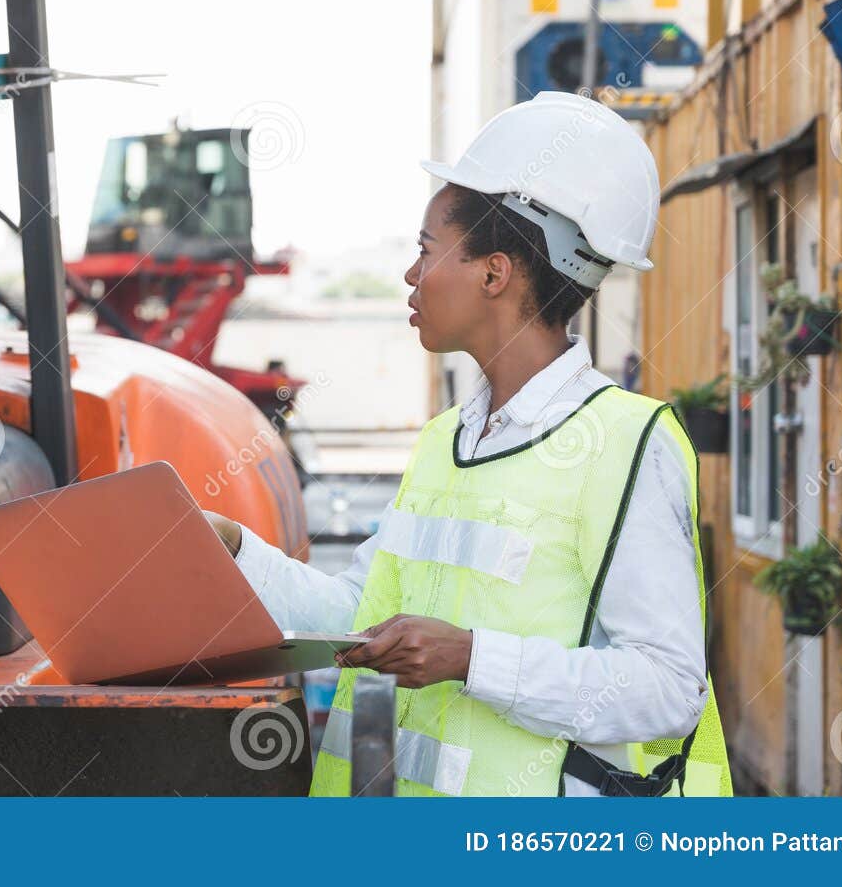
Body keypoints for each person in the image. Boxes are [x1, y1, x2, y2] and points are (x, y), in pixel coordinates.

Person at [208, 91, 731, 798]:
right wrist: (235, 547)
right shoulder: (444, 441)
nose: (410, 274)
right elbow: (363, 620)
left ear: (494, 272)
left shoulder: (624, 445)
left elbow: (669, 688)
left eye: (426, 251)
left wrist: (473, 658)